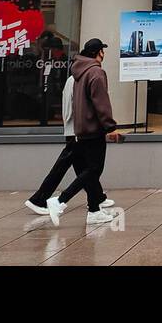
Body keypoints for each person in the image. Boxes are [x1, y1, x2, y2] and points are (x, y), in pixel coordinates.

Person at [46, 38, 123, 226]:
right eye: (102, 51)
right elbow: (101, 102)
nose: (103, 54)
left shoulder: (79, 72)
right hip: (93, 128)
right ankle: (60, 201)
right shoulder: (96, 72)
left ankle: (94, 211)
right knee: (93, 170)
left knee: (89, 169)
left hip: (81, 128)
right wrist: (110, 127)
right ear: (99, 53)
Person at [24, 68, 115, 216]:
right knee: (76, 167)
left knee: (84, 168)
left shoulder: (73, 79)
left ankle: (97, 197)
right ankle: (40, 199)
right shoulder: (80, 80)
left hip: (74, 130)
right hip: (78, 131)